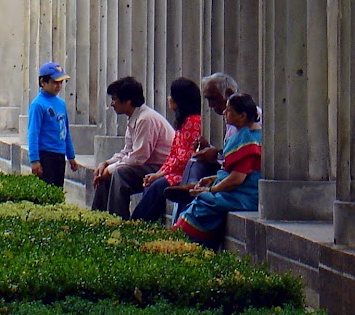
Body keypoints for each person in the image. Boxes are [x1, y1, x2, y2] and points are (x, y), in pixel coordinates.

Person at [174, 92, 262, 246]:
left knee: (204, 201)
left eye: (229, 110)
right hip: (237, 191)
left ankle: (185, 243)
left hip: (244, 196)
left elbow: (236, 179)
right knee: (200, 199)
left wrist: (211, 190)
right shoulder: (245, 134)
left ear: (242, 116)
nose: (224, 112)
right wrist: (213, 179)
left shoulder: (249, 140)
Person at [90, 75, 175, 218]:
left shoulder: (145, 119)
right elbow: (127, 151)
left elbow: (138, 157)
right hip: (148, 165)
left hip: (161, 168)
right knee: (105, 174)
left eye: (114, 99)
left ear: (128, 101)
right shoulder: (134, 118)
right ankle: (98, 217)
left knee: (120, 173)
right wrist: (105, 164)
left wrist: (110, 169)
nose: (112, 104)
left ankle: (117, 219)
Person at [128, 76, 203, 222]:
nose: (169, 98)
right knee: (151, 183)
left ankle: (137, 223)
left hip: (183, 174)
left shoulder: (193, 122)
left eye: (171, 95)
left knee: (158, 186)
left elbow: (183, 158)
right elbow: (173, 154)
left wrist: (159, 175)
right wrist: (157, 174)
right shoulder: (183, 122)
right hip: (174, 172)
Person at [26, 61, 80, 186]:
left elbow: (65, 131)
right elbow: (33, 133)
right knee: (46, 189)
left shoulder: (61, 104)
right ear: (43, 82)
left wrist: (71, 156)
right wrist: (34, 160)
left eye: (61, 82)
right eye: (55, 82)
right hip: (45, 154)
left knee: (58, 188)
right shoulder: (38, 104)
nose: (58, 86)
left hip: (59, 154)